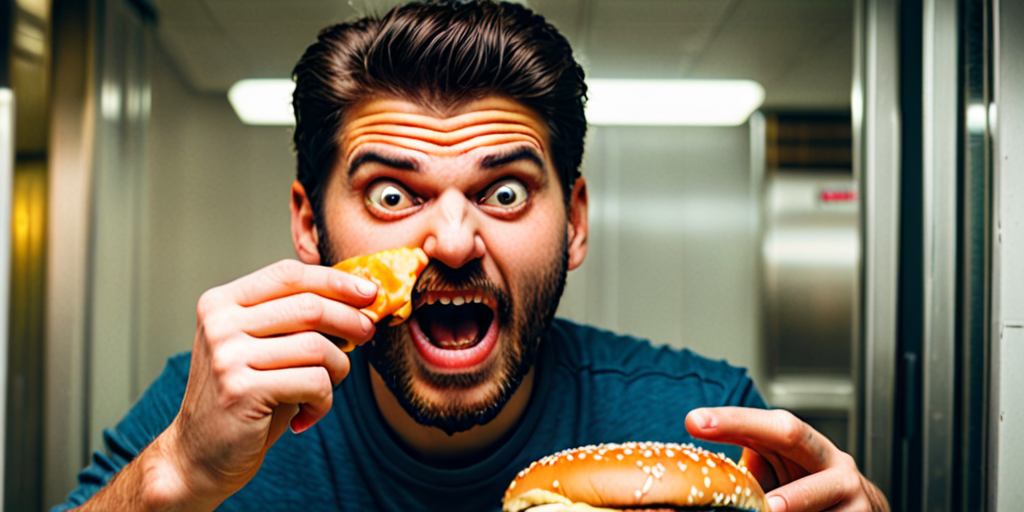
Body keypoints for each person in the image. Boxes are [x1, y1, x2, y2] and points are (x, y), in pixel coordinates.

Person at [55, 2, 889, 511]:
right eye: (392, 195)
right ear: (309, 227)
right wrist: (173, 474)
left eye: (506, 192)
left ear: (575, 223)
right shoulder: (209, 409)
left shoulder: (706, 427)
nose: (452, 242)